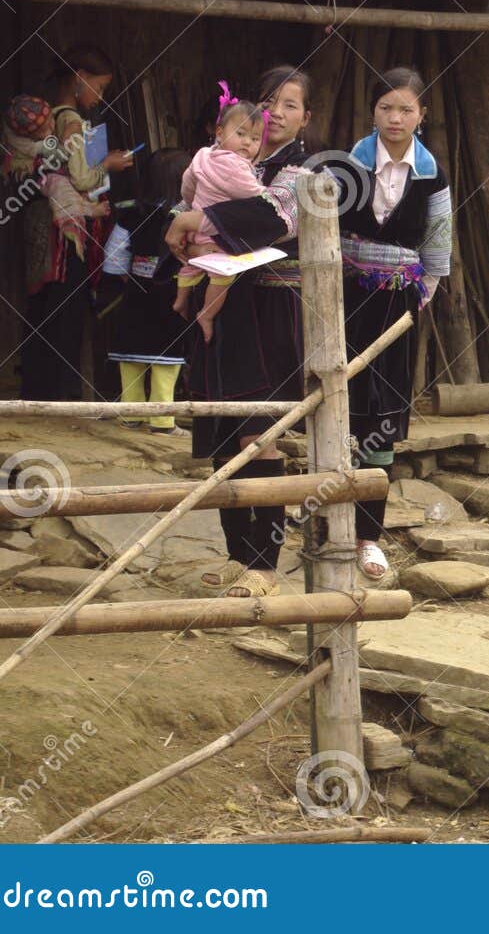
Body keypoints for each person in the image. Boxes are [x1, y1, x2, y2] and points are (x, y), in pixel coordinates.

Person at [166, 65, 317, 599]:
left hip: (272, 309)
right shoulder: (228, 160)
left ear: (306, 117)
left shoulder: (308, 170)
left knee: (262, 436)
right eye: (269, 102)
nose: (276, 113)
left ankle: (266, 563)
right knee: (225, 437)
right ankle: (236, 554)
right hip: (224, 305)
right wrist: (185, 225)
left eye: (291, 104)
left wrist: (194, 223)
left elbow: (276, 218)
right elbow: (190, 204)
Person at [318, 68, 451, 583]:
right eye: (385, 109)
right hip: (341, 301)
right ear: (373, 113)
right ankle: (328, 524)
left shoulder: (430, 175)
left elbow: (438, 245)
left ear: (422, 115)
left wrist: (420, 295)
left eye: (406, 110)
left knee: (385, 416)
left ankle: (368, 537)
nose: (395, 119)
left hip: (398, 310)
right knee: (337, 406)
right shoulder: (345, 166)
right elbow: (321, 228)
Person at [20, 47, 135, 399]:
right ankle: (62, 395)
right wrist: (109, 165)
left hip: (42, 220)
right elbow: (83, 179)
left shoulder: (45, 117)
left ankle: (37, 390)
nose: (99, 96)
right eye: (99, 87)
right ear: (80, 78)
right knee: (66, 308)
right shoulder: (71, 120)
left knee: (43, 305)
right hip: (65, 231)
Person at [101, 148, 191, 435]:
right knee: (166, 362)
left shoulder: (130, 212)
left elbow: (113, 259)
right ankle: (162, 422)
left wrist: (129, 276)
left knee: (131, 356)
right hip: (172, 295)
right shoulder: (187, 216)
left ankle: (130, 416)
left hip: (136, 295)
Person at [172, 89, 267, 343]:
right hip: (215, 232)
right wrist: (268, 193)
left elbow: (187, 184)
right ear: (220, 133)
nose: (248, 143)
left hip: (195, 223)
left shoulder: (203, 155)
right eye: (241, 134)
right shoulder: (235, 167)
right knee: (222, 275)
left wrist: (192, 205)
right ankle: (207, 314)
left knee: (191, 265)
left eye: (255, 138)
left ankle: (180, 299)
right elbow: (258, 199)